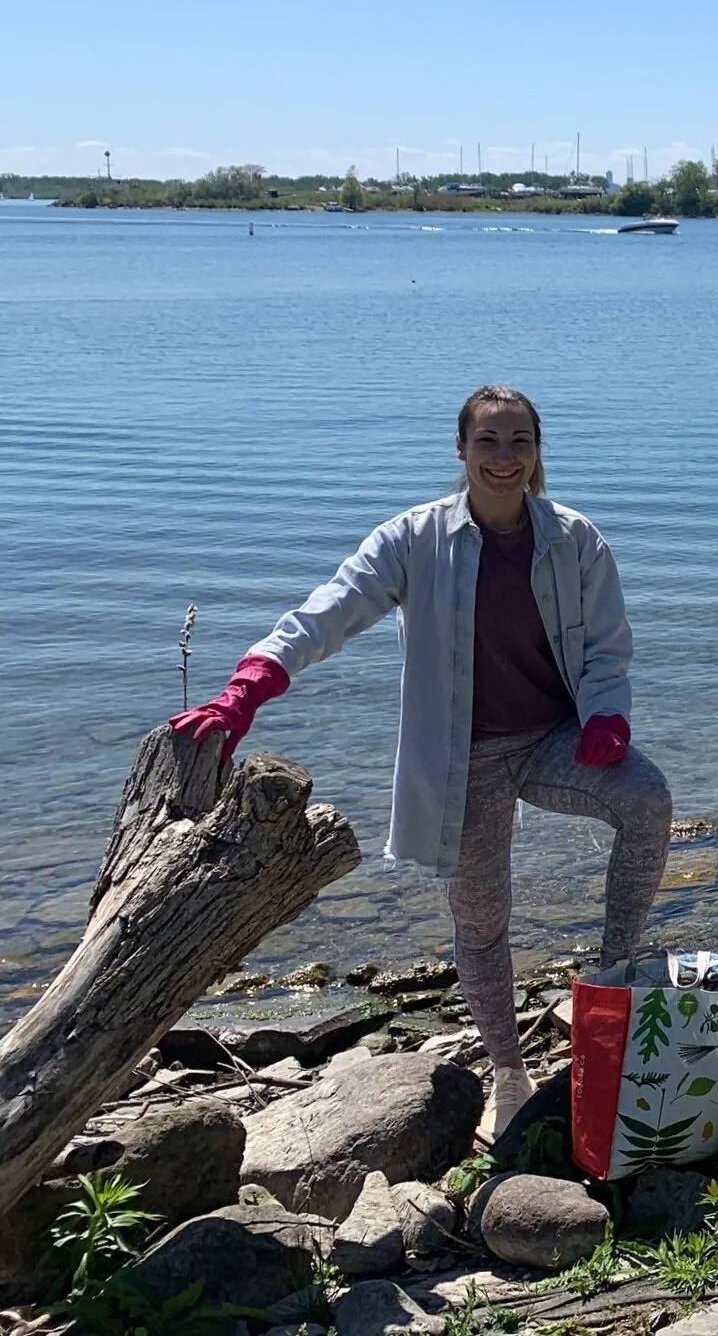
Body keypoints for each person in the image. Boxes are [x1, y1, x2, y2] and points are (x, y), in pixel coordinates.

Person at [172, 386, 671, 1134]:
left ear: (538, 451)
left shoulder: (575, 539)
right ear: (461, 449)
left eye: (520, 440)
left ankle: (611, 982)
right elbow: (328, 611)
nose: (504, 456)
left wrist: (607, 713)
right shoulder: (414, 538)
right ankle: (508, 1070)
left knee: (647, 799)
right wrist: (249, 687)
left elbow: (607, 644)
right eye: (488, 440)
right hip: (463, 757)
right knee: (481, 916)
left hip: (554, 739)